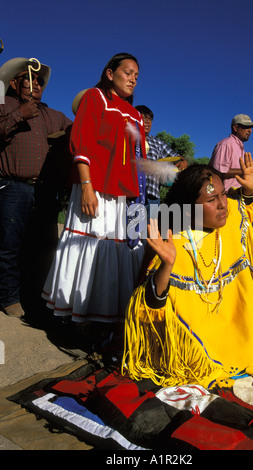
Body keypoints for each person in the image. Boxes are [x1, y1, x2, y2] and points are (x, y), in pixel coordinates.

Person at [122, 153, 253, 390]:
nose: (223, 204)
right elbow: (148, 308)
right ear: (189, 210)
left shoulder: (229, 217)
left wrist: (251, 191)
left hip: (236, 332)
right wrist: (167, 265)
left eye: (223, 194)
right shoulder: (175, 239)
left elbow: (243, 212)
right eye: (212, 199)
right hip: (196, 346)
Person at [42, 53, 147, 344]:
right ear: (110, 73)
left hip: (123, 196)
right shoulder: (95, 98)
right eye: (128, 72)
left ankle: (109, 318)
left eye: (137, 75)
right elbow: (84, 142)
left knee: (117, 251)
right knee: (89, 245)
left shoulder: (135, 114)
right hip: (95, 188)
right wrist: (86, 186)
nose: (133, 78)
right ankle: (78, 318)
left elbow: (137, 159)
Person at [0, 57, 72, 318]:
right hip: (12, 186)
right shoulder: (4, 104)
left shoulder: (51, 114)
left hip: (44, 190)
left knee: (42, 245)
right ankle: (9, 297)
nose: (36, 85)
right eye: (29, 79)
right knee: (10, 244)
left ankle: (35, 295)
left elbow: (75, 131)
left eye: (40, 81)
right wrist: (19, 114)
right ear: (15, 82)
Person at [135, 105, 182, 218]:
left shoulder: (157, 143)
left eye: (150, 119)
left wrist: (181, 164)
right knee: (131, 232)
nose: (147, 121)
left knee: (152, 232)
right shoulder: (127, 138)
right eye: (144, 117)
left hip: (152, 195)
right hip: (132, 194)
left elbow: (178, 158)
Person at [209, 114, 253, 192]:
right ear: (235, 128)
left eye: (251, 128)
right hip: (225, 197)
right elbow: (217, 172)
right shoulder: (226, 144)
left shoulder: (242, 150)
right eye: (246, 127)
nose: (250, 130)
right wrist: (244, 171)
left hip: (237, 198)